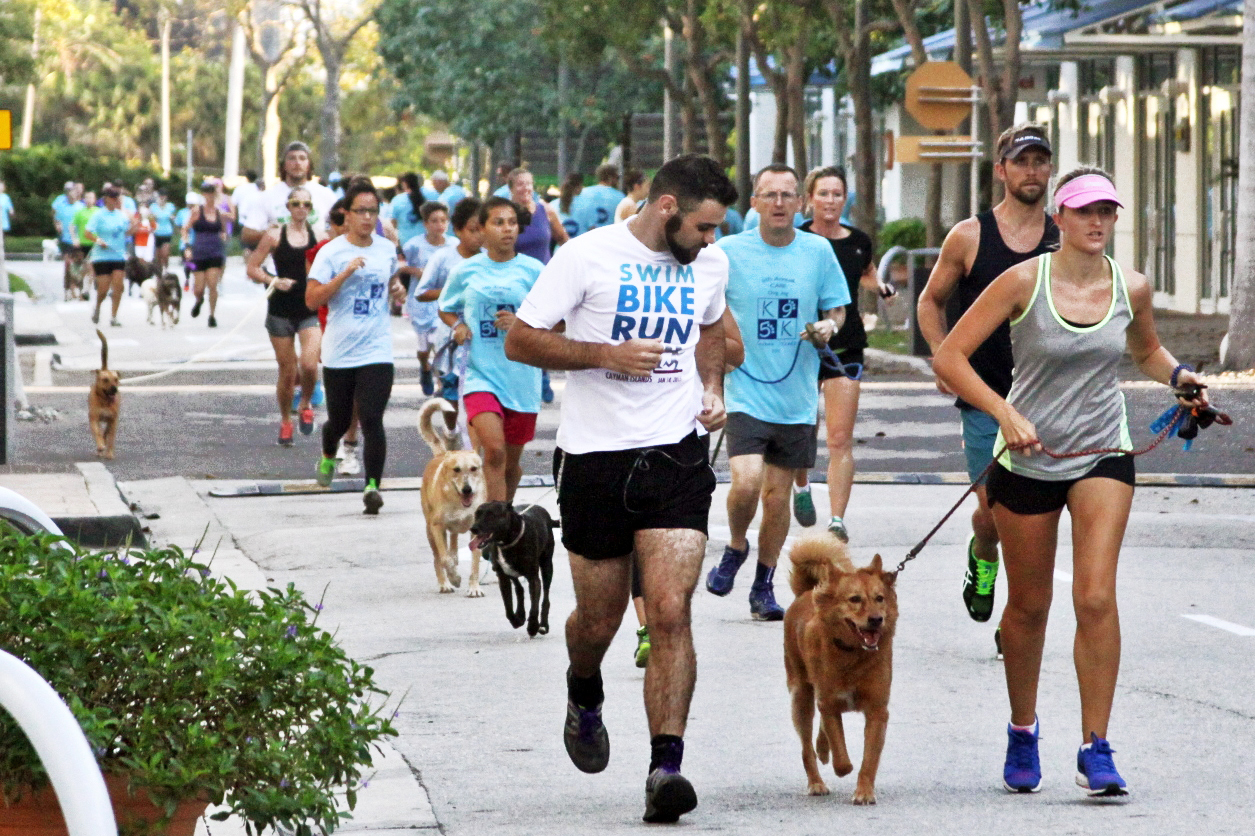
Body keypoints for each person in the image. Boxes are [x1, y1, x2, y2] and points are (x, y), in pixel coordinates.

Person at [933, 166, 1208, 798]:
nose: (1096, 221)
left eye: (1107, 211)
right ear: (1060, 219)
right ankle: (1023, 729)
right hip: (1028, 454)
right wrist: (1004, 411)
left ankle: (1096, 747)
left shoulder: (1129, 286)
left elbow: (1147, 351)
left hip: (1101, 449)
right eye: (1084, 211)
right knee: (1029, 607)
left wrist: (1181, 377)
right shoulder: (1022, 281)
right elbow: (950, 356)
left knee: (1094, 597)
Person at [504, 154, 736, 824]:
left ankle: (666, 767)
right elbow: (521, 340)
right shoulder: (586, 257)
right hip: (594, 458)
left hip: (675, 455)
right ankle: (583, 689)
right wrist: (603, 354)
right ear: (666, 208)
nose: (710, 241)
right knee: (598, 620)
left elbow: (712, 330)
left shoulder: (708, 266)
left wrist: (712, 388)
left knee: (668, 611)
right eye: (702, 227)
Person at [917, 123, 1060, 634]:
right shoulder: (970, 235)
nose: (1031, 171)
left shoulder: (1063, 236)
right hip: (984, 398)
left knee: (1035, 520)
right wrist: (942, 355)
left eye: (1040, 161)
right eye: (1021, 161)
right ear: (1001, 170)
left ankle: (1018, 620)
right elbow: (931, 301)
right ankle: (984, 557)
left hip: (1050, 402)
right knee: (994, 515)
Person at [705, 163, 849, 621]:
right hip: (746, 388)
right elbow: (704, 307)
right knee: (746, 482)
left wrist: (829, 325)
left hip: (797, 395)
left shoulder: (818, 251)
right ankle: (734, 545)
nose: (780, 203)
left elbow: (838, 310)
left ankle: (764, 585)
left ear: (800, 203)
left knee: (776, 498)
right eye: (770, 196)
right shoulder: (728, 252)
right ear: (754, 204)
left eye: (788, 195)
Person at [789, 166, 896, 539]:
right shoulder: (795, 237)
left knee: (839, 438)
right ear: (809, 199)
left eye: (837, 194)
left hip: (846, 344)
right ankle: (801, 483)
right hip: (801, 344)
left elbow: (864, 271)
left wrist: (880, 286)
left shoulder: (859, 240)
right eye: (823, 194)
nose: (831, 201)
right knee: (801, 429)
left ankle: (837, 520)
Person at [306, 181, 405, 514]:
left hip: (377, 349)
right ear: (345, 215)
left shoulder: (385, 249)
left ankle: (372, 487)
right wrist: (344, 276)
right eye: (360, 211)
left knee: (372, 418)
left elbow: (390, 281)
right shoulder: (330, 252)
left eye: (373, 211)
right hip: (339, 351)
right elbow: (312, 299)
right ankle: (327, 451)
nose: (367, 218)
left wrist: (397, 291)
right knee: (338, 420)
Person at [437, 197, 544, 503]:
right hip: (479, 374)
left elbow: (559, 321)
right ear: (481, 230)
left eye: (512, 222)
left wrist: (522, 323)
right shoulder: (466, 271)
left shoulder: (534, 270)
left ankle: (503, 519)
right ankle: (493, 531)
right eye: (498, 222)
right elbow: (446, 308)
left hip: (522, 378)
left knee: (510, 464)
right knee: (493, 451)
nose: (507, 229)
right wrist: (457, 327)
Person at [246, 186, 325, 446]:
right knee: (287, 370)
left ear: (311, 209)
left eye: (306, 204)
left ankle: (305, 403)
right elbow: (252, 267)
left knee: (311, 364)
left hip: (309, 308)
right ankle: (285, 420)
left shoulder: (320, 236)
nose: (301, 208)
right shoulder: (274, 235)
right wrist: (273, 280)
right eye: (296, 203)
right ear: (288, 207)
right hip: (280, 309)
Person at [415, 197, 483, 444]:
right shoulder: (444, 258)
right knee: (453, 390)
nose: (480, 236)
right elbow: (421, 293)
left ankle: (472, 444)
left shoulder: (490, 258)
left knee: (478, 393)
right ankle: (451, 431)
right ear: (459, 230)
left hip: (483, 339)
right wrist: (455, 293)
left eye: (483, 229)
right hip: (451, 339)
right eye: (473, 230)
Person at [241, 141, 338, 248]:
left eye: (302, 158)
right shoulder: (267, 196)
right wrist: (276, 234)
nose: (297, 163)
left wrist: (325, 236)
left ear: (309, 164)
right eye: (291, 158)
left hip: (316, 260)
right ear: (283, 165)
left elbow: (343, 226)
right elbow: (247, 234)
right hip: (280, 261)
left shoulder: (325, 194)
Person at [400, 201, 452, 396]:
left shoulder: (453, 245)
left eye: (443, 221)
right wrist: (417, 271)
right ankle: (425, 367)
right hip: (421, 303)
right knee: (424, 348)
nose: (439, 225)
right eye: (434, 221)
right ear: (425, 224)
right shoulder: (414, 245)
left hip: (445, 302)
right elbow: (400, 265)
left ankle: (442, 384)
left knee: (442, 343)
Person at [84, 187, 142, 326]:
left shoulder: (122, 215)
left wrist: (135, 226)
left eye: (117, 198)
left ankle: (114, 316)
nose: (116, 201)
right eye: (113, 198)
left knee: (118, 287)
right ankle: (98, 305)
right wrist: (99, 241)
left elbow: (126, 233)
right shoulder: (99, 215)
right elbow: (88, 233)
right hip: (102, 256)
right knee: (103, 289)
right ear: (107, 199)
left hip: (118, 255)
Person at [182, 180, 234, 328]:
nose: (210, 197)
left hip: (215, 251)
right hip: (199, 251)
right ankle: (199, 300)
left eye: (212, 194)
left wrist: (224, 238)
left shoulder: (219, 213)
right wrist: (187, 247)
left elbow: (223, 230)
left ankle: (212, 315)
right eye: (207, 194)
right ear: (204, 195)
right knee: (199, 288)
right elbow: (185, 229)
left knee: (212, 284)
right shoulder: (197, 211)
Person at [509, 168, 569, 263]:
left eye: (528, 184)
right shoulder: (505, 214)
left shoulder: (546, 210)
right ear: (511, 188)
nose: (526, 188)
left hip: (544, 273)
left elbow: (564, 240)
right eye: (520, 184)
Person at [570, 163, 625, 235]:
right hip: (610, 238)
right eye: (617, 178)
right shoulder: (621, 197)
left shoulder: (583, 193)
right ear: (612, 178)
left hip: (585, 238)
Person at [52, 182, 86, 291]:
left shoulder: (81, 206)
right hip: (66, 239)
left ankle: (78, 286)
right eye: (70, 192)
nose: (72, 194)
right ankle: (68, 288)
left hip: (78, 239)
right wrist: (58, 226)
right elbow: (56, 219)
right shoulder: (61, 206)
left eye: (74, 192)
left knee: (79, 265)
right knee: (68, 264)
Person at [390, 173, 426, 252]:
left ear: (404, 184)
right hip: (426, 243)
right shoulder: (431, 195)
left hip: (406, 244)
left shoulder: (398, 200)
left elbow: (393, 223)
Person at [150, 190, 177, 274]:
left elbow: (172, 217)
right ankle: (159, 271)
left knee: (165, 253)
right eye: (161, 196)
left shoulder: (170, 206)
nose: (162, 198)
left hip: (167, 232)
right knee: (158, 255)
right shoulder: (153, 206)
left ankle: (166, 269)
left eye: (164, 196)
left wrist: (172, 218)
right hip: (157, 232)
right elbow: (151, 218)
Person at [556, 173, 583, 239]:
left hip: (560, 248)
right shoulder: (588, 204)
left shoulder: (552, 204)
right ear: (579, 187)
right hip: (582, 247)